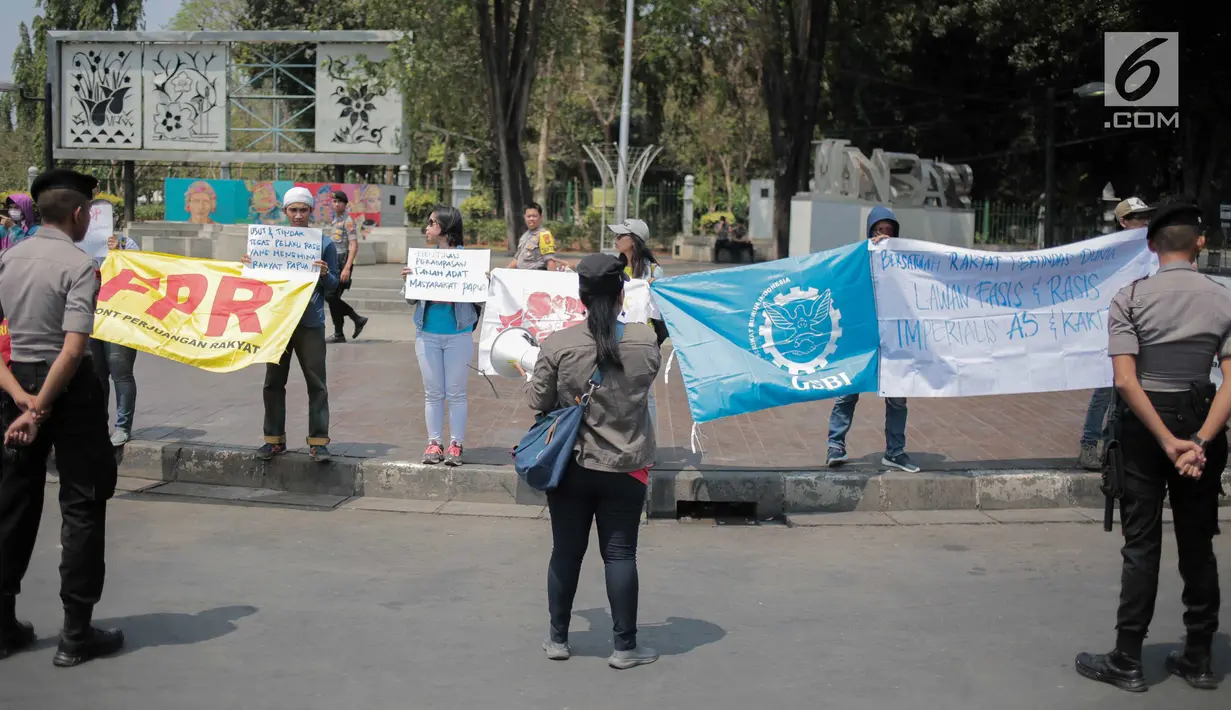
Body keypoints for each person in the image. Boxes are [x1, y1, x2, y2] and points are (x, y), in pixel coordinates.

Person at [1075, 202, 1229, 692]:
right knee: (1198, 543)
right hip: (1202, 420)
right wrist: (1198, 440)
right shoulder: (1223, 299)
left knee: (1141, 545)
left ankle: (1128, 659)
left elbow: (1124, 381)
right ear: (1200, 243)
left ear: (1150, 245)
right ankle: (1200, 658)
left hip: (1145, 430)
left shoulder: (1130, 298)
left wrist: (1166, 441)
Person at [0, 169, 124, 666]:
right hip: (68, 395)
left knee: (11, 502)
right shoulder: (79, 265)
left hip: (15, 388)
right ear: (77, 214)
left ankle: (5, 626)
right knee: (82, 502)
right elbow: (73, 351)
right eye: (89, 212)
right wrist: (45, 404)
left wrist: (21, 399)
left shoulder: (8, 258)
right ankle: (76, 633)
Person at [526, 252, 662, 670]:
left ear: (581, 297)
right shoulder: (645, 340)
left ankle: (558, 640)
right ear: (622, 293)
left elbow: (538, 403)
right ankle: (624, 648)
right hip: (627, 465)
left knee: (565, 553)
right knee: (620, 555)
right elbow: (644, 376)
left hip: (572, 466)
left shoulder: (558, 344)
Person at [242, 187, 339, 463]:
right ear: (284, 212)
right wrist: (249, 265)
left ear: (311, 212)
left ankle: (318, 442)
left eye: (303, 210)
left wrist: (325, 274)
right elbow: (256, 282)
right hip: (278, 321)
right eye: (293, 210)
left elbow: (333, 286)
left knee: (316, 383)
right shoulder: (269, 241)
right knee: (273, 381)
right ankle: (273, 439)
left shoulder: (324, 243)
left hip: (310, 321)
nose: (298, 215)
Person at [827, 205, 920, 473]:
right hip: (860, 338)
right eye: (880, 231)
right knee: (846, 393)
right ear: (870, 233)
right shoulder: (859, 258)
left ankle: (895, 452)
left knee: (897, 398)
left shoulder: (904, 261)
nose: (885, 237)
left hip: (892, 340)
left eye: (890, 232)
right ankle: (835, 445)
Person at [1078, 197, 1157, 470]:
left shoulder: (1153, 248)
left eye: (1147, 216)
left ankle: (1114, 444)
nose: (1145, 221)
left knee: (1134, 389)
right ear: (1123, 221)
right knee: (1105, 389)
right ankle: (1089, 444)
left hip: (1144, 326)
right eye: (1138, 217)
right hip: (1114, 327)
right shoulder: (1108, 251)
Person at [400, 206, 479, 466]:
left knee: (456, 392)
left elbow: (479, 297)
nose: (427, 227)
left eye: (432, 222)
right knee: (432, 392)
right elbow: (411, 299)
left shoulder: (467, 261)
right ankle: (434, 443)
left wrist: (482, 281)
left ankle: (457, 444)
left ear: (444, 227)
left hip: (458, 334)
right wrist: (408, 281)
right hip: (427, 333)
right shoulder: (423, 259)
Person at [609, 218, 668, 431]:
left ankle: (649, 447)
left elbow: (665, 309)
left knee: (645, 394)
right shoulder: (614, 268)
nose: (615, 239)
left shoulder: (653, 272)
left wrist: (657, 290)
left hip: (644, 341)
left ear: (633, 241)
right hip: (615, 339)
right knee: (616, 393)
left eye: (620, 236)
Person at [88, 231, 142, 447]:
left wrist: (119, 254)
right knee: (96, 374)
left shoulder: (126, 242)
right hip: (91, 316)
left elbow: (140, 271)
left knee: (121, 373)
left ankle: (123, 427)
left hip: (120, 317)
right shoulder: (79, 242)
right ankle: (99, 424)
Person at [325, 191, 369, 344]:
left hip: (342, 262)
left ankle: (354, 318)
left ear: (345, 204)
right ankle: (341, 331)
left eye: (339, 202)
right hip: (333, 261)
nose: (336, 204)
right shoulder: (335, 220)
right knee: (332, 297)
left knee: (330, 296)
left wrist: (347, 268)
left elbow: (353, 245)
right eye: (334, 201)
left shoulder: (348, 221)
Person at [508, 203, 570, 272]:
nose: (531, 219)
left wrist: (552, 280)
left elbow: (550, 262)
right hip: (522, 277)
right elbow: (516, 260)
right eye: (529, 216)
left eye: (534, 216)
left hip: (536, 278)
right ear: (524, 217)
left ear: (541, 217)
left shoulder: (544, 235)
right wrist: (504, 272)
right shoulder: (525, 236)